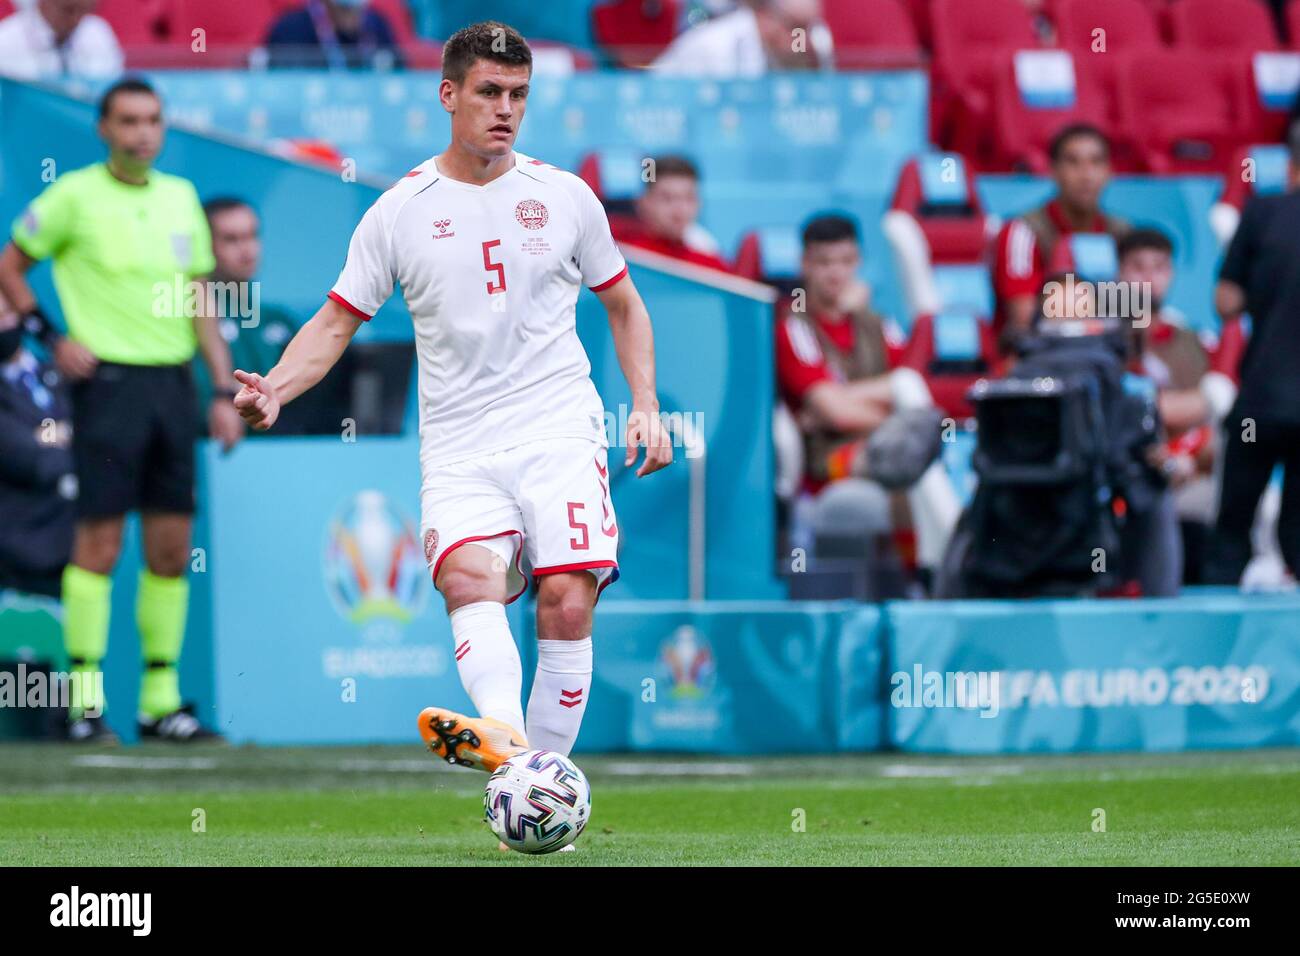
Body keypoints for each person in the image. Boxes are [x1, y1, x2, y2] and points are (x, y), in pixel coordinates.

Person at [232, 22, 674, 777]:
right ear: (449, 95)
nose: (505, 109)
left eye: (518, 96)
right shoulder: (400, 210)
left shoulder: (565, 197)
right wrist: (275, 385)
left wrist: (645, 402)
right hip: (461, 444)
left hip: (557, 428)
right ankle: (511, 754)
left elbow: (625, 303)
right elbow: (338, 320)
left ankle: (540, 780)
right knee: (470, 579)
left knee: (566, 599)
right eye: (489, 92)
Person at [0, 78, 243, 743]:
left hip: (171, 387)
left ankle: (159, 704)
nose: (142, 132)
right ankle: (84, 706)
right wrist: (52, 336)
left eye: (153, 121)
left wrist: (221, 390)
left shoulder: (180, 197)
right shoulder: (73, 195)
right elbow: (10, 265)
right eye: (129, 120)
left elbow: (200, 300)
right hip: (106, 387)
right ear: (104, 128)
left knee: (170, 548)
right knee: (99, 547)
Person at [774, 213, 958, 578]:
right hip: (827, 457)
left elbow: (911, 387)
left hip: (884, 441)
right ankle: (929, 575)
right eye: (824, 263)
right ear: (805, 265)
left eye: (845, 262)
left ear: (858, 262)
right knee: (905, 456)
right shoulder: (794, 326)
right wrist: (886, 408)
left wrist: (845, 399)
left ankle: (931, 571)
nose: (835, 273)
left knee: (909, 451)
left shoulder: (878, 324)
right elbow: (836, 413)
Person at [1208, 124, 1300, 585]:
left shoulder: (1263, 212)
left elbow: (1226, 302)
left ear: (1289, 163)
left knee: (1231, 530)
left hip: (1260, 403)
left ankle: (1214, 651)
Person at [1118, 228, 1233, 584]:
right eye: (1138, 267)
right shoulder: (1104, 334)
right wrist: (1191, 405)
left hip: (1187, 477)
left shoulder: (1192, 340)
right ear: (1119, 271)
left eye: (1159, 267)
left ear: (1171, 274)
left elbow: (1214, 417)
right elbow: (1127, 413)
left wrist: (1186, 449)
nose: (1149, 278)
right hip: (1124, 475)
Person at [992, 123, 1130, 353]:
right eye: (1073, 162)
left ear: (1109, 172)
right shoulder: (1023, 231)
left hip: (1107, 359)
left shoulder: (1121, 232)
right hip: (1040, 360)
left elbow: (1138, 316)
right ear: (1053, 171)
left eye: (1096, 162)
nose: (1086, 175)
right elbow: (1025, 320)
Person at [0, 291, 75, 602]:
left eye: (3, 315)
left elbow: (95, 440)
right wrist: (63, 436)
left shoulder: (57, 375)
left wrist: (44, 435)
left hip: (70, 550)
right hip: (13, 553)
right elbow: (24, 456)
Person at [610, 155, 733, 274]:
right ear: (643, 202)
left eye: (689, 198)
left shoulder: (712, 266)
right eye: (667, 198)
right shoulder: (618, 256)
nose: (680, 209)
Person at [654, 0, 833, 77]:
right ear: (765, 16)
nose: (803, 39)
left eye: (808, 28)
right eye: (795, 28)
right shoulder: (715, 45)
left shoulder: (816, 40)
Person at [0, 0, 122, 81]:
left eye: (84, 11)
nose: (76, 19)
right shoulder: (5, 39)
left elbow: (108, 85)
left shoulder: (97, 31)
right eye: (69, 10)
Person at [266, 0, 403, 71]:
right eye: (344, 8)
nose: (351, 14)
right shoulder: (291, 29)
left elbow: (399, 77)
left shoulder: (377, 25)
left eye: (356, 7)